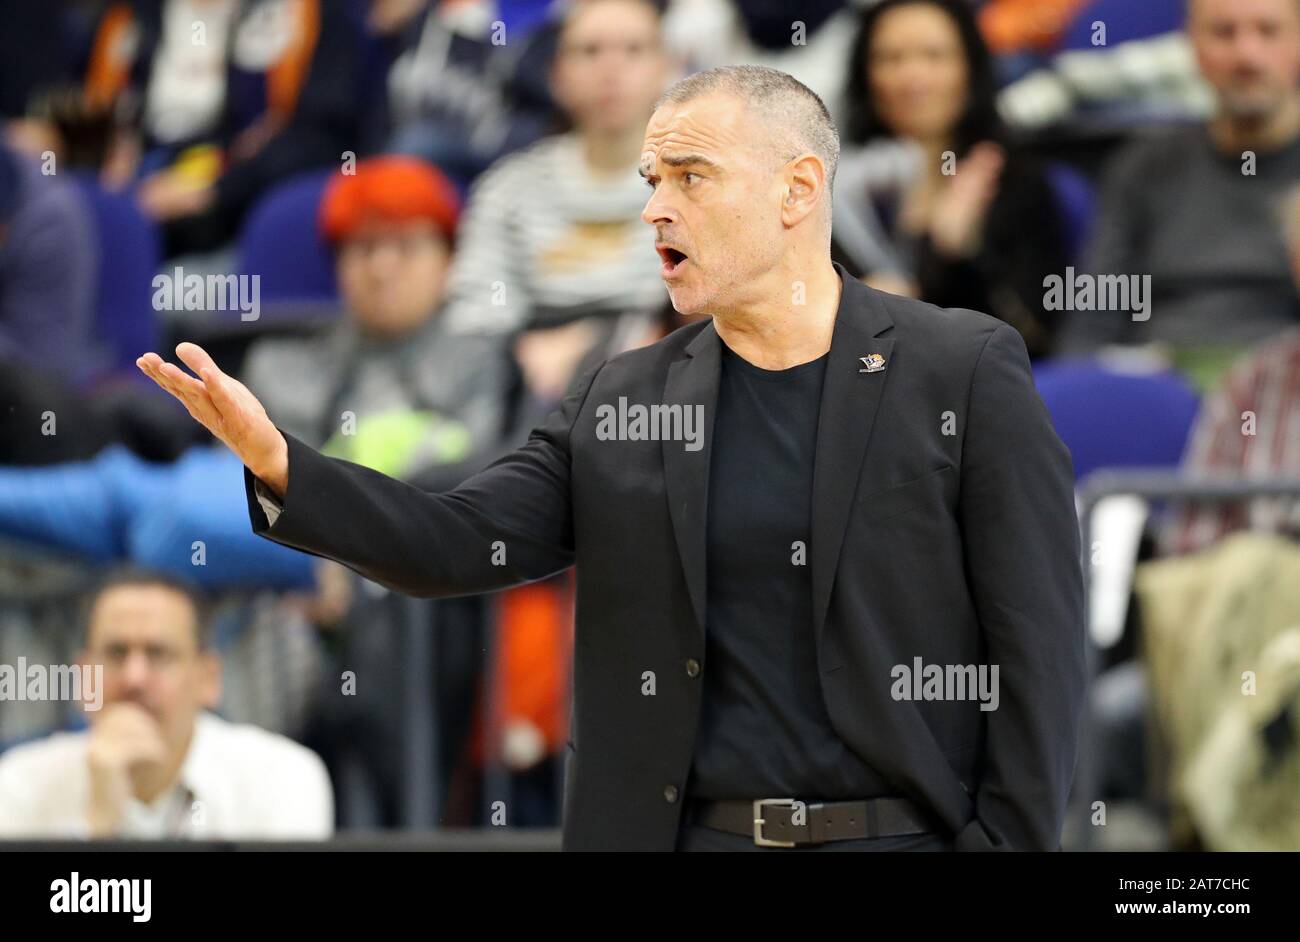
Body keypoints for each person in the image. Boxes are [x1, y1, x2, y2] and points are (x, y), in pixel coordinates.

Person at [139, 65, 1086, 852]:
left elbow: (1037, 648)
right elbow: (459, 541)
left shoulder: (960, 371)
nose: (655, 210)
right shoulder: (625, 397)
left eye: (690, 177)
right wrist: (280, 464)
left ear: (799, 190)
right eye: (649, 181)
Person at [0, 568, 333, 839]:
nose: (134, 677)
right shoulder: (19, 782)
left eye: (158, 654)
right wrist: (96, 827)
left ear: (208, 679)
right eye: (116, 653)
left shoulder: (281, 778)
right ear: (83, 676)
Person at [1065, 0, 1300, 382]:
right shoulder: (1142, 167)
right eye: (1224, 32)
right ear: (1191, 45)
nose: (1247, 54)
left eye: (1268, 30)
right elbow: (1095, 315)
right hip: (1161, 386)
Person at [834, 0, 1068, 357]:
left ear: (970, 69)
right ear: (865, 75)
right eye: (890, 58)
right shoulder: (834, 187)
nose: (912, 77)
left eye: (934, 56)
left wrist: (960, 254)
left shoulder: (1016, 183)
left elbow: (1034, 339)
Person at [439, 0, 672, 335]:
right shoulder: (507, 189)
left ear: (665, 68)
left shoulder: (695, 186)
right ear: (556, 76)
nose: (612, 68)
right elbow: (475, 316)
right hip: (530, 378)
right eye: (590, 51)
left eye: (633, 50)